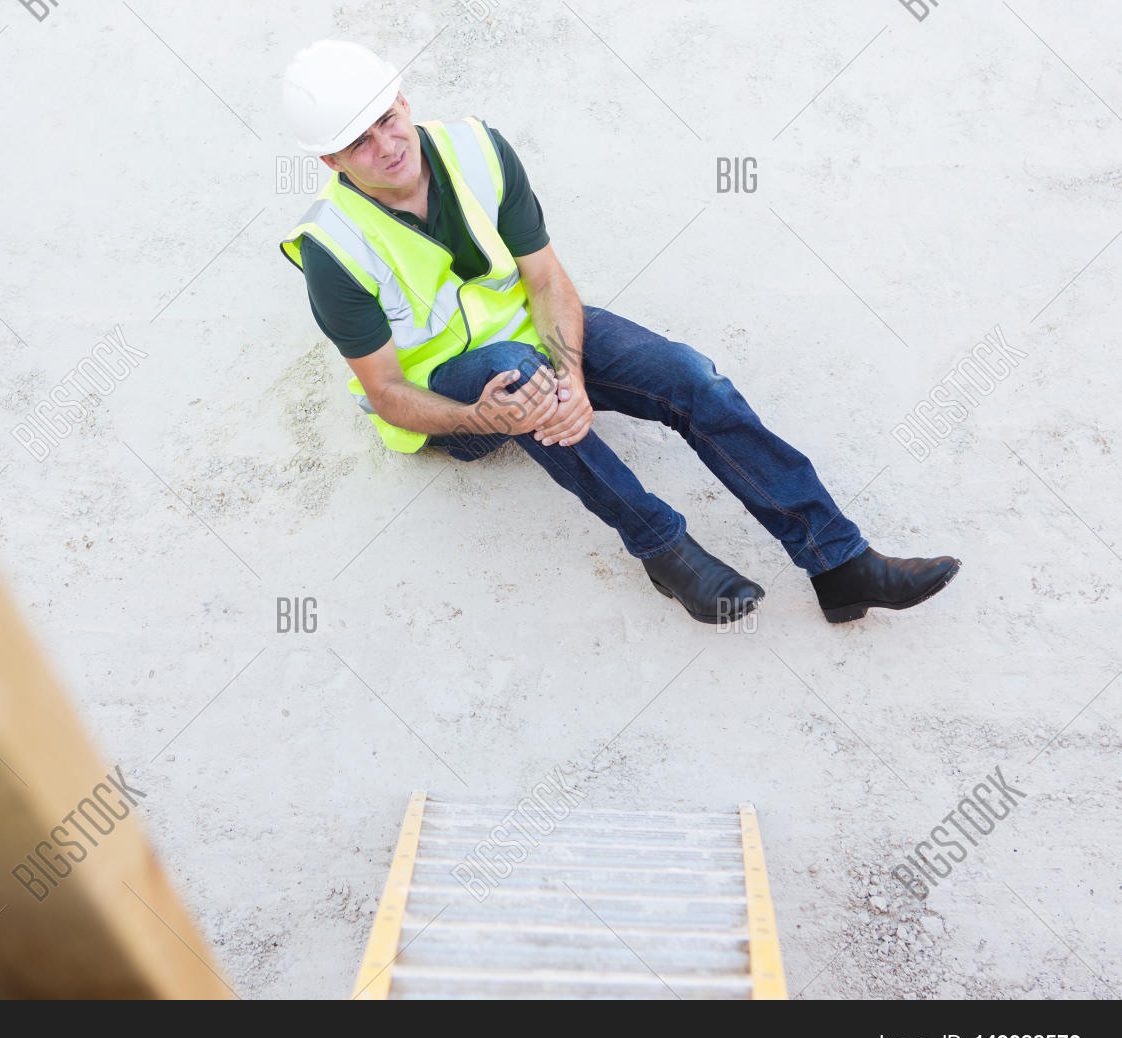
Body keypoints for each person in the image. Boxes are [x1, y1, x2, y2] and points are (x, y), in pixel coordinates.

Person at [279, 40, 959, 625]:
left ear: (402, 97)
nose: (386, 145)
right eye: (357, 143)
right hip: (449, 396)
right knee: (522, 372)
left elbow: (544, 279)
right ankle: (663, 549)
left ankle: (838, 562)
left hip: (531, 338)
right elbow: (390, 391)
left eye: (387, 119)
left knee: (689, 376)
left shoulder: (477, 149)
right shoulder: (332, 249)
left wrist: (571, 376)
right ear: (331, 163)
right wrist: (476, 414)